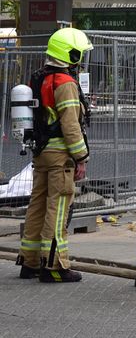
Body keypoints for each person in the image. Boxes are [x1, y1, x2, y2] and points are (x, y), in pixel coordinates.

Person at [17, 27, 93, 283]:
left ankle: (29, 263)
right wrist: (81, 157)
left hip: (41, 153)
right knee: (57, 209)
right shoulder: (65, 83)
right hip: (61, 154)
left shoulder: (37, 78)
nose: (81, 58)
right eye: (79, 53)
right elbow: (70, 125)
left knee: (37, 205)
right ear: (70, 54)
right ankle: (54, 266)